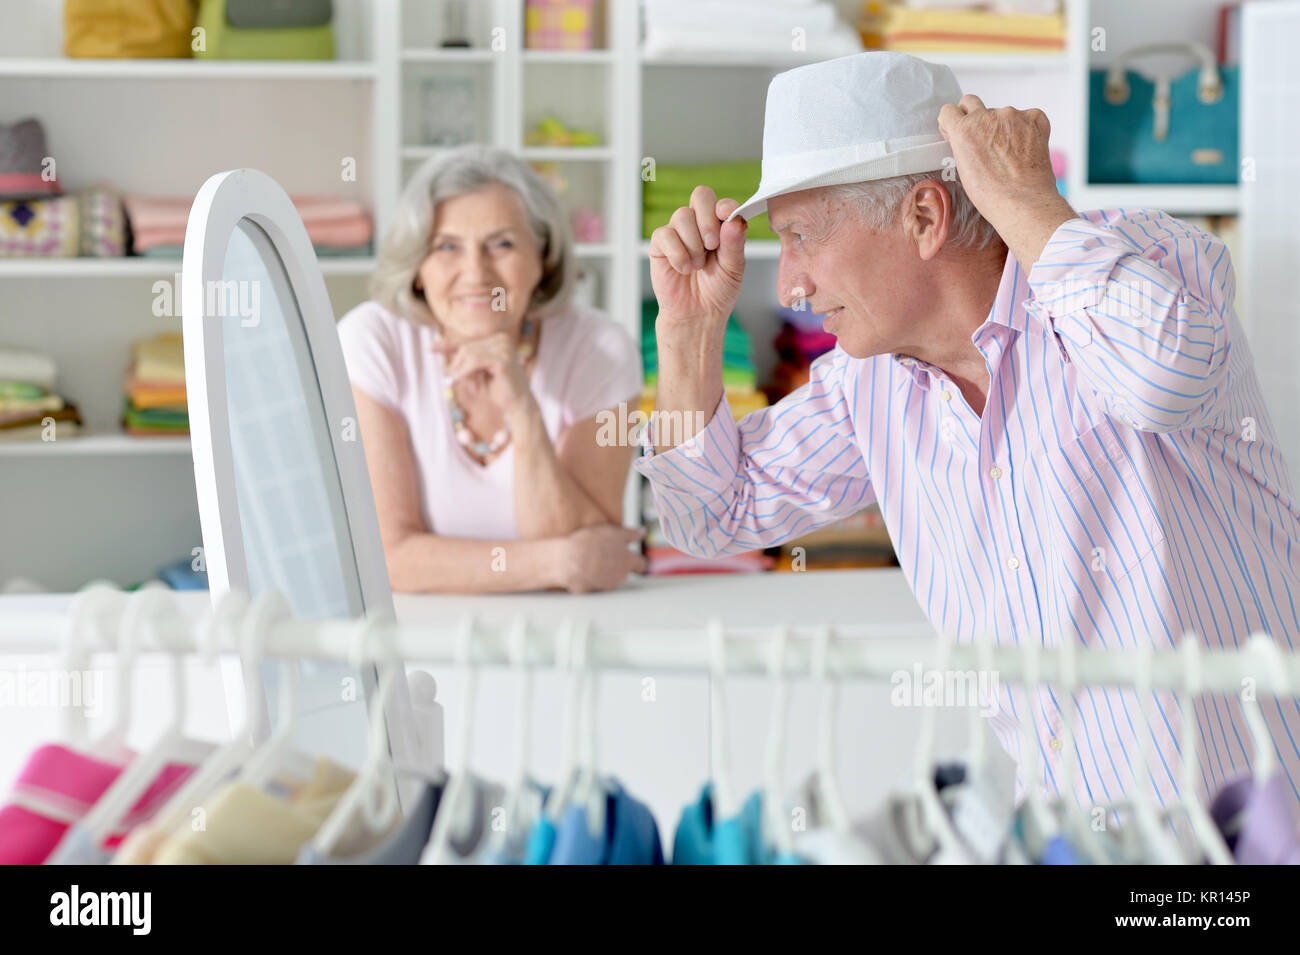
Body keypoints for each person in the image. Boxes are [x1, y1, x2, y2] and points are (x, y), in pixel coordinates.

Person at [637, 51, 1300, 817]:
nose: (790, 284)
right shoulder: (870, 385)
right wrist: (687, 333)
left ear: (925, 215)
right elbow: (709, 514)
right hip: (1072, 837)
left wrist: (1025, 199)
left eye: (802, 238)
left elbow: (1165, 377)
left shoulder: (1145, 259)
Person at [338, 145, 647, 594]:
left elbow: (586, 560)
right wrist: (556, 563)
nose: (476, 273)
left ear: (542, 257)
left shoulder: (600, 350)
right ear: (418, 268)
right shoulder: (372, 341)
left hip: (566, 636)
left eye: (501, 244)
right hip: (415, 636)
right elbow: (387, 558)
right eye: (447, 246)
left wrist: (523, 408)